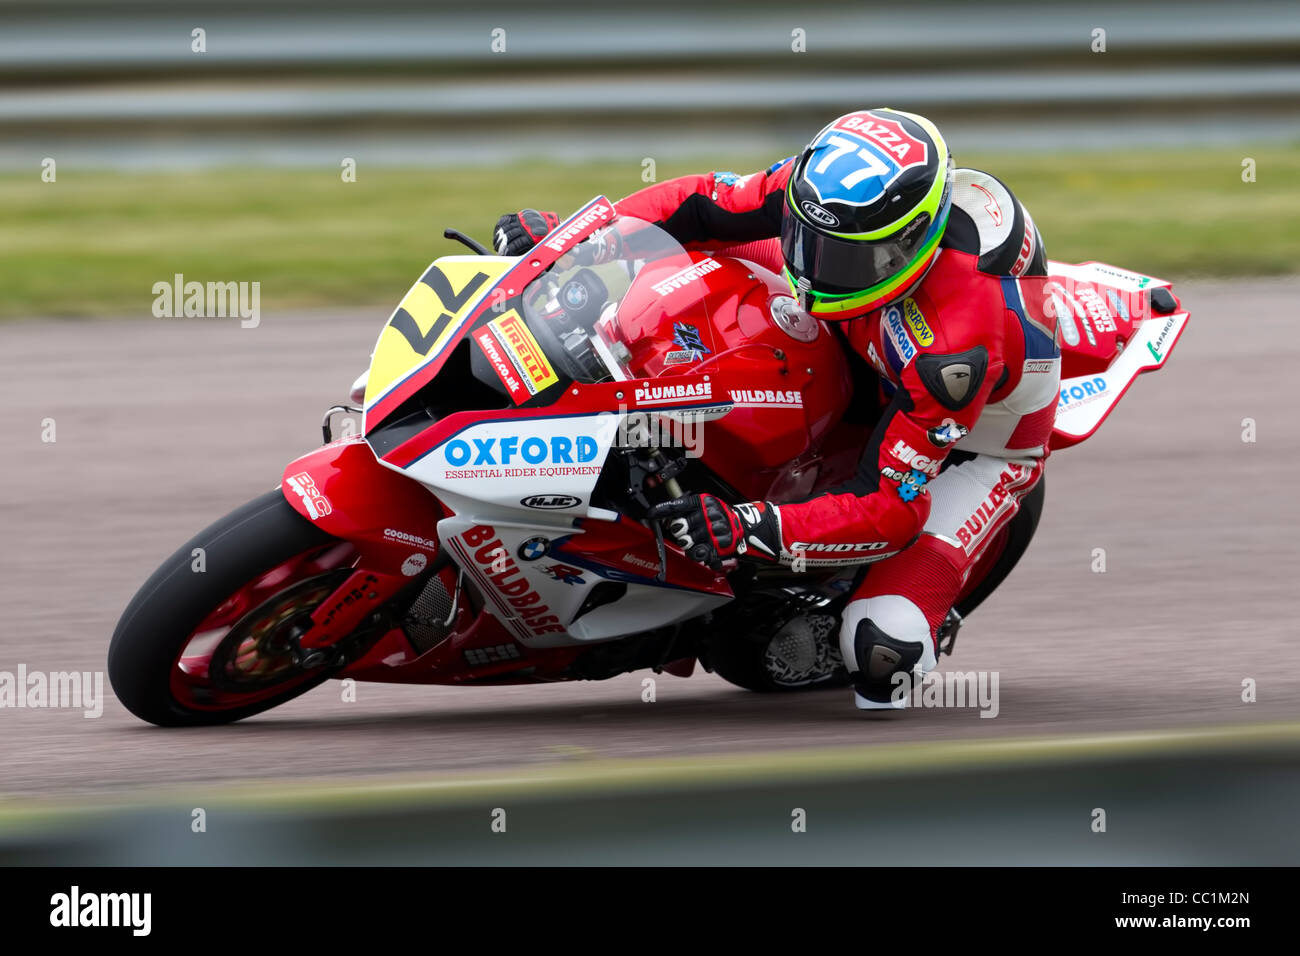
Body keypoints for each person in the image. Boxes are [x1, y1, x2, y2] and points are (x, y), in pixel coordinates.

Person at [493, 108, 1059, 710]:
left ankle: (892, 621)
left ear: (904, 247)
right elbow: (704, 201)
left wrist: (748, 527)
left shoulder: (953, 349)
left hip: (977, 442)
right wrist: (575, 241)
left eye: (836, 257)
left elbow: (891, 508)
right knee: (688, 267)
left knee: (883, 654)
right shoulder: (827, 196)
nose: (811, 270)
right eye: (806, 240)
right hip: (861, 321)